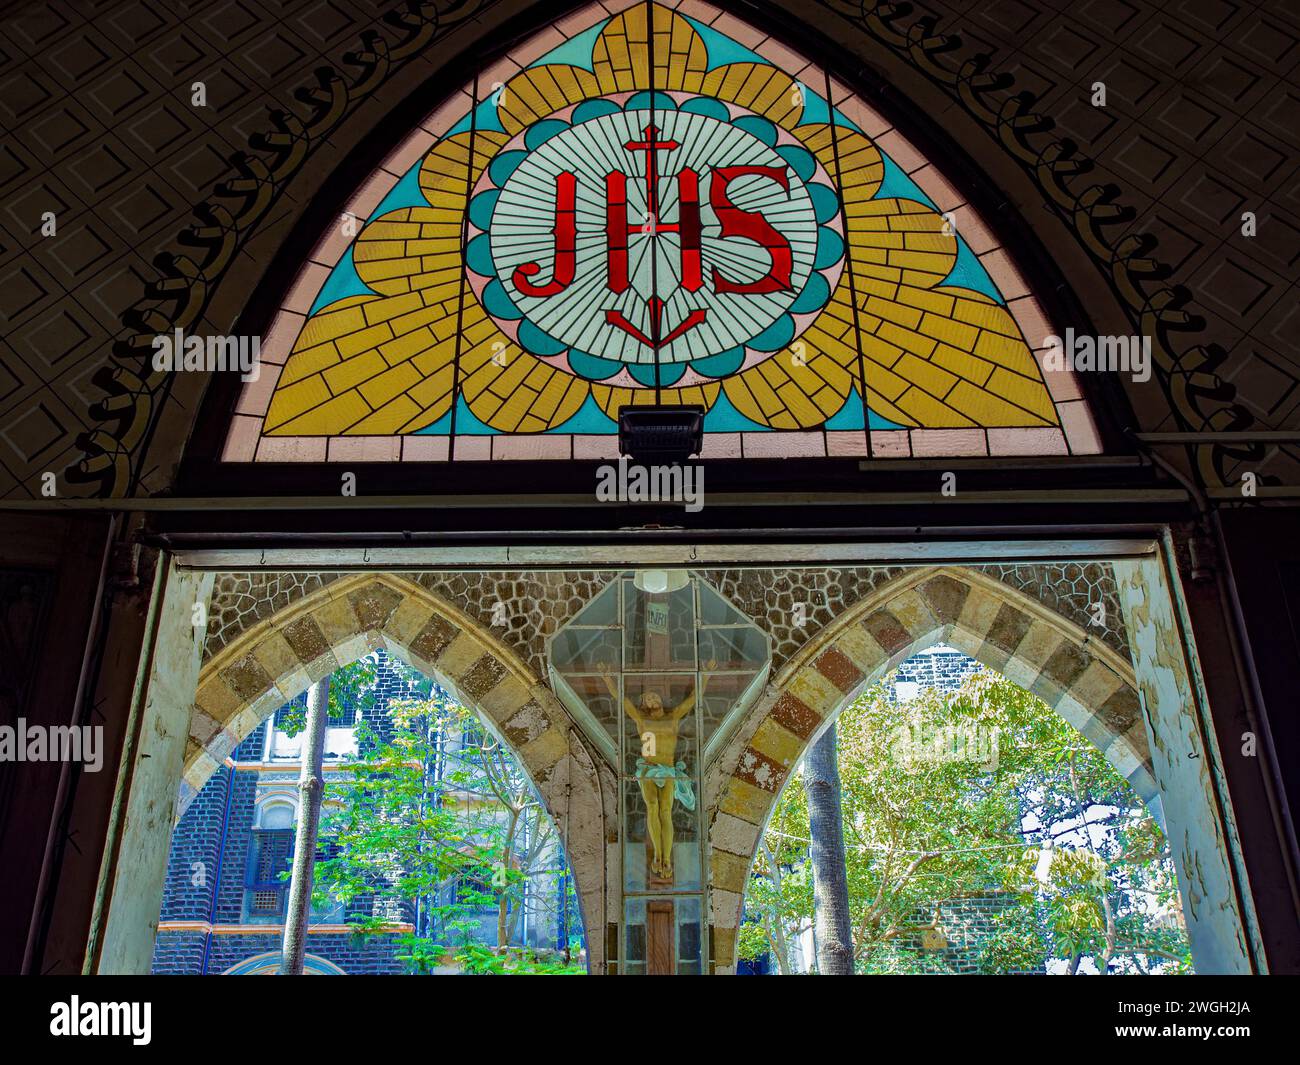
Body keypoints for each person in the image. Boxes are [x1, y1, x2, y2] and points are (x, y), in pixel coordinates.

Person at [597, 663, 709, 880]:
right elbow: (623, 700)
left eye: (655, 697)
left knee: (666, 812)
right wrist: (606, 679)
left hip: (667, 770)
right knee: (652, 807)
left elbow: (693, 699)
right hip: (648, 770)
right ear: (644, 705)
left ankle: (666, 857)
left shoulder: (673, 716)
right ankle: (657, 854)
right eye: (648, 699)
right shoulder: (642, 720)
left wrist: (706, 676)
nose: (653, 700)